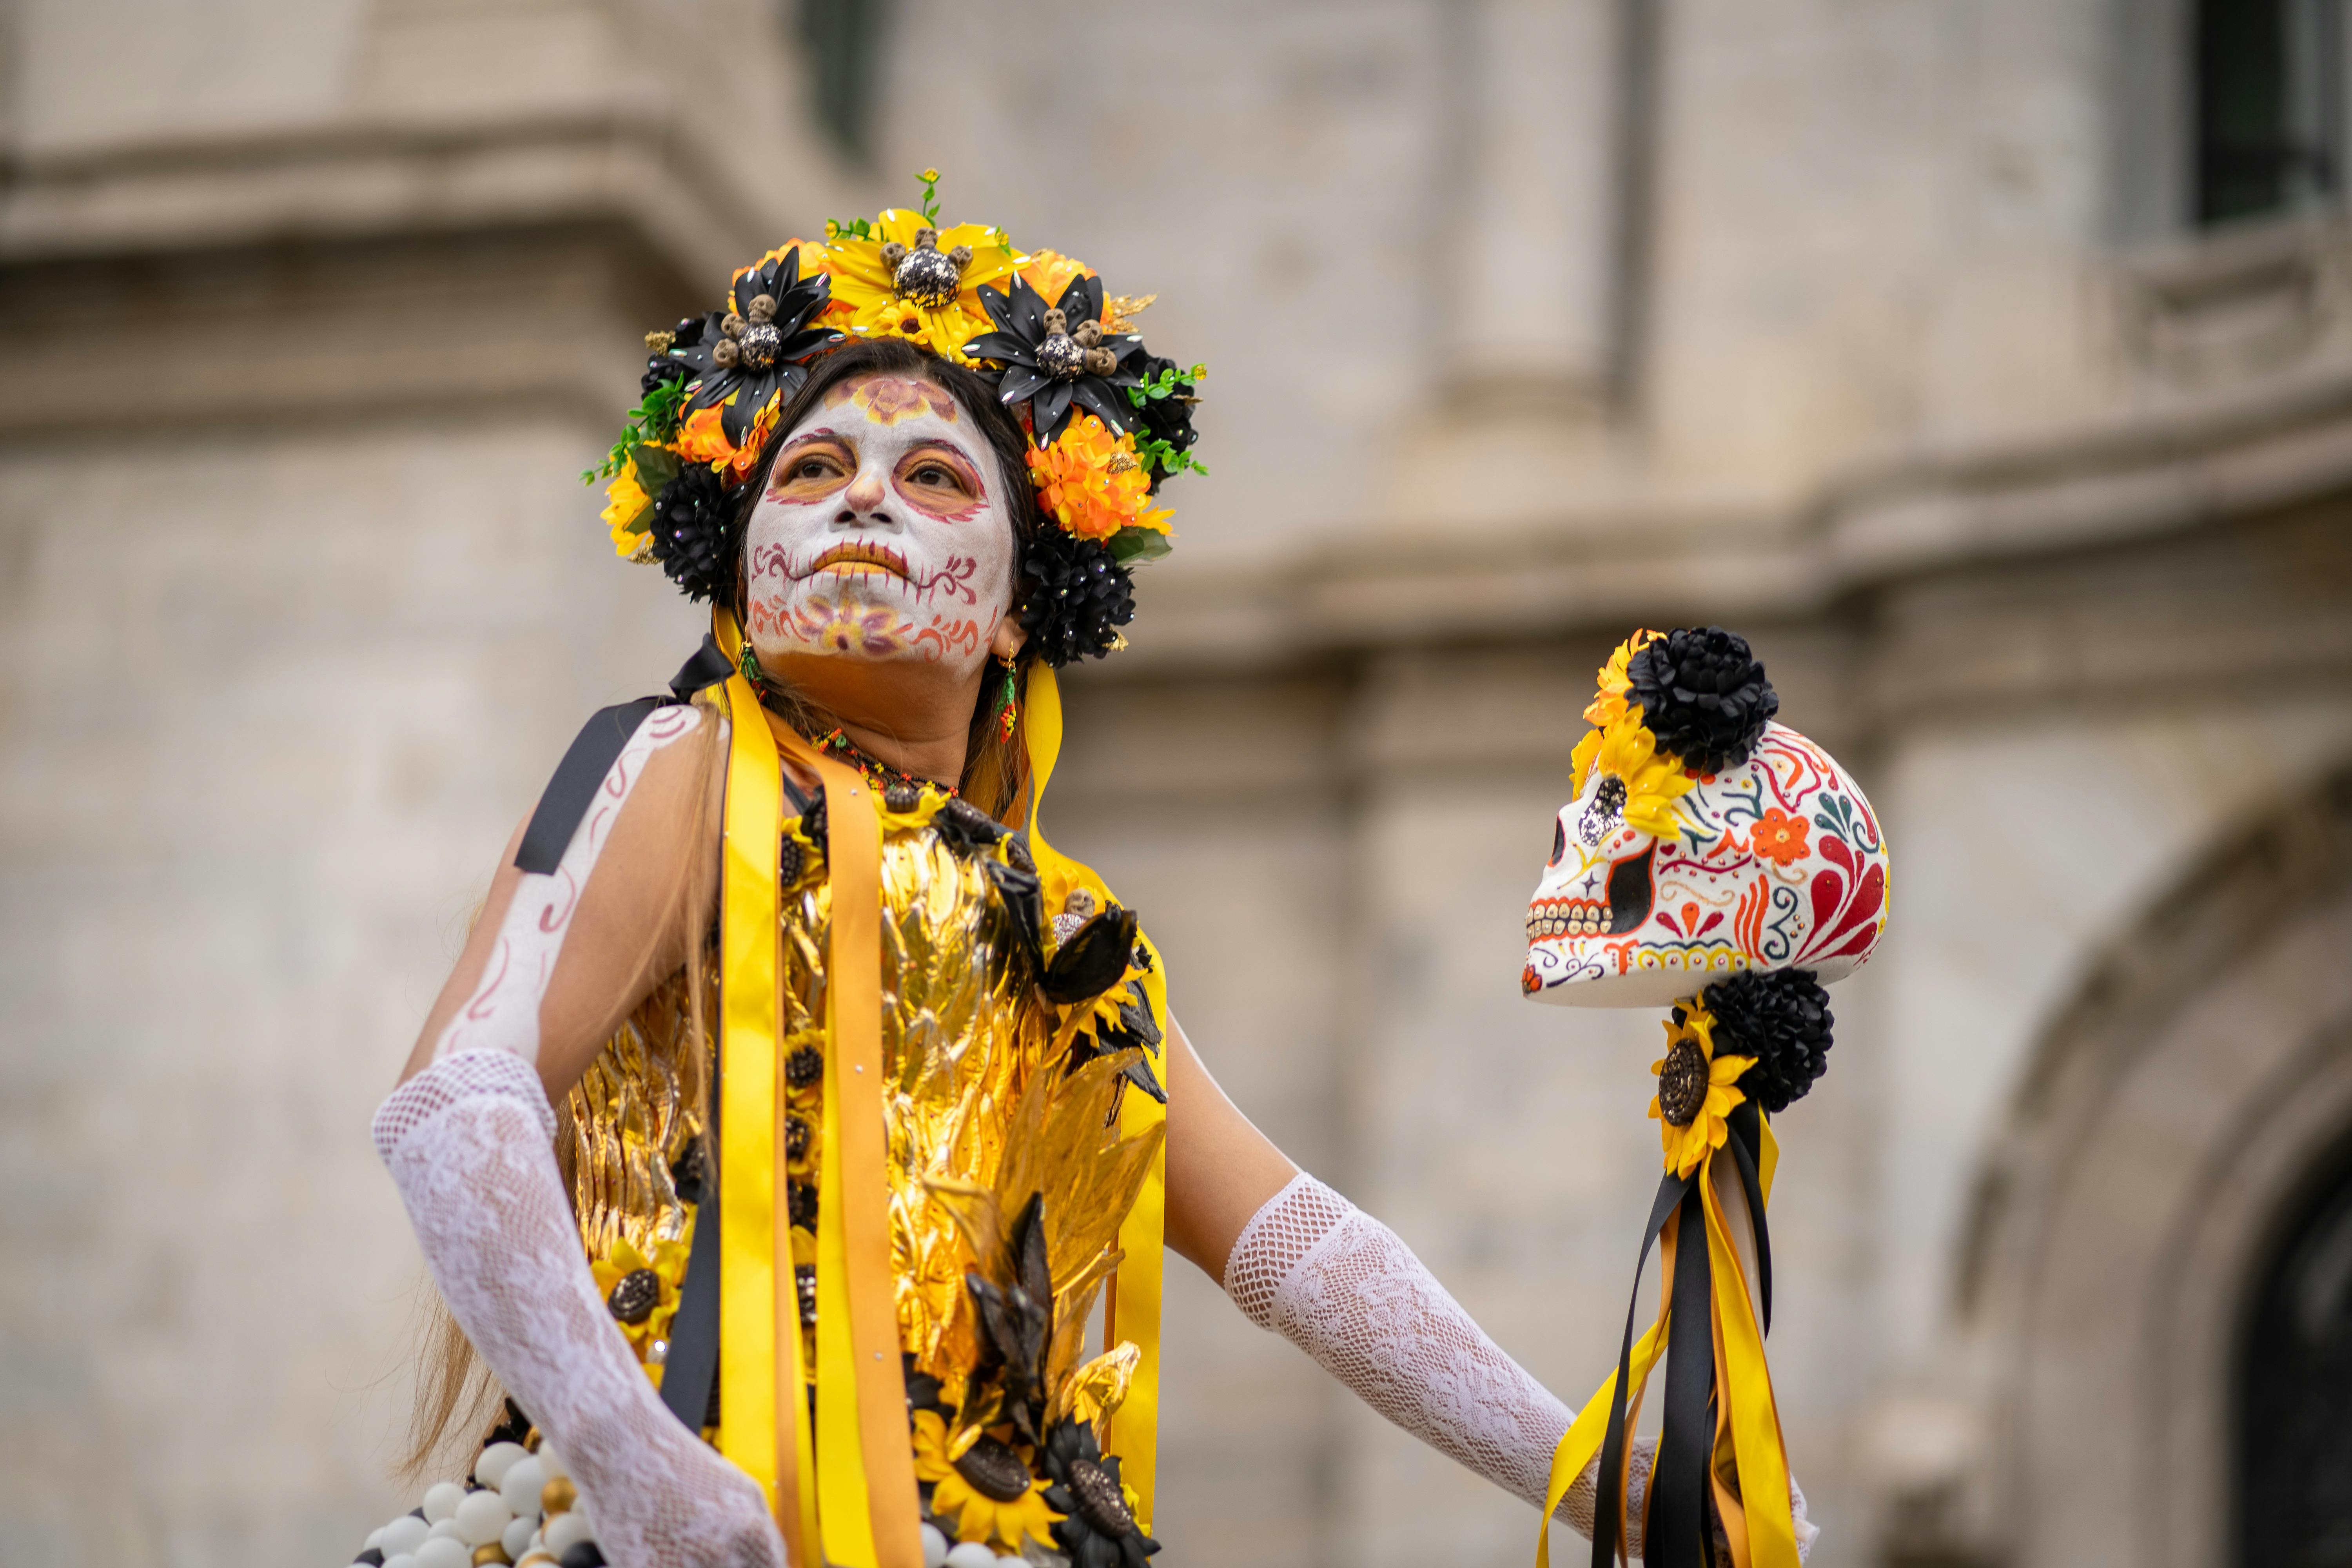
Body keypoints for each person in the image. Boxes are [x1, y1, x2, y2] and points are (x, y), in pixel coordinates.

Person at [364, 181, 1687, 1568]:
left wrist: (1601, 1480)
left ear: (1011, 615)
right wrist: (637, 1461)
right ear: (744, 579)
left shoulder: (1070, 932)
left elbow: (1299, 1248)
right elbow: (455, 1104)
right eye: (809, 472)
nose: (865, 493)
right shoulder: (678, 764)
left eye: (933, 476)